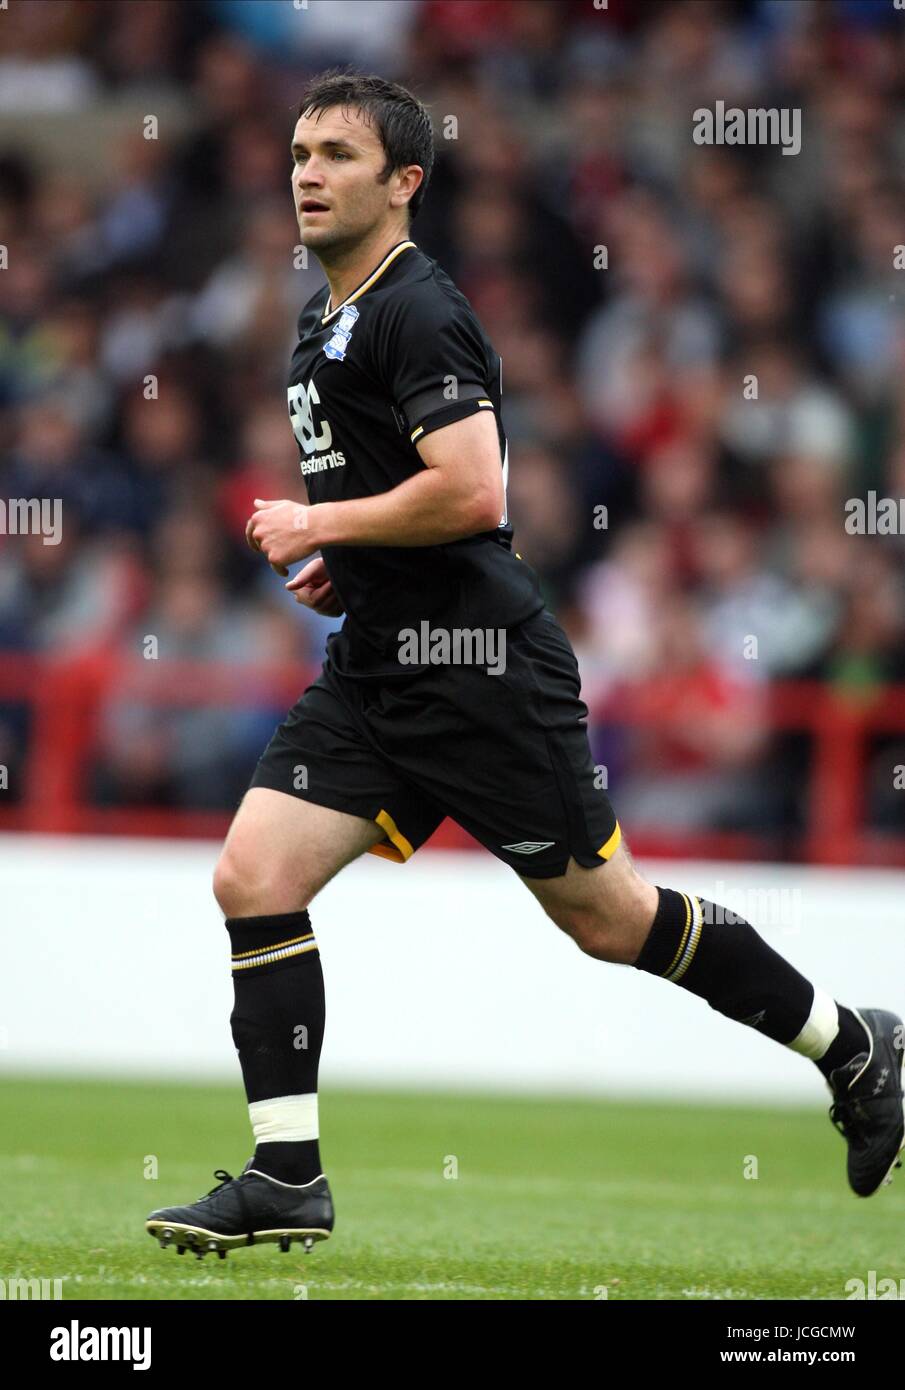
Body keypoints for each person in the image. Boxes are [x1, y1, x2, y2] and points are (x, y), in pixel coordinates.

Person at [146, 72, 904, 1260]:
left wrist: (319, 526)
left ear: (403, 183)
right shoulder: (320, 323)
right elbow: (406, 497)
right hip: (379, 665)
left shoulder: (418, 309)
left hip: (483, 672)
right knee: (251, 875)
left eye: (337, 154)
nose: (306, 171)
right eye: (299, 151)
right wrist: (349, 571)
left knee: (607, 920)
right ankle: (286, 1173)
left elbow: (475, 489)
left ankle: (852, 1046)